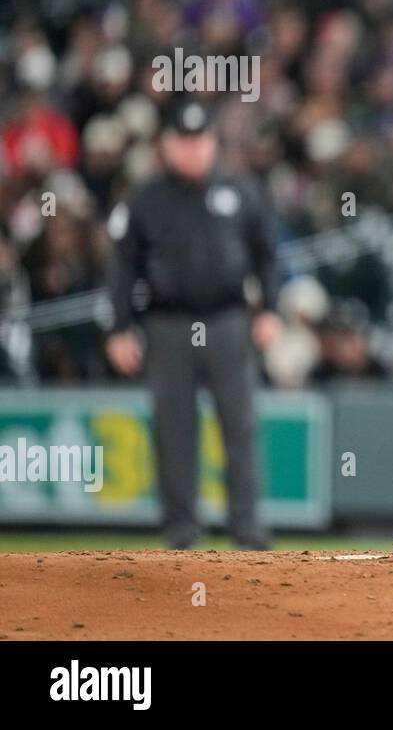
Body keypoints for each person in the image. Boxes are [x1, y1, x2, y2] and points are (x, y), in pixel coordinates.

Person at [105, 98, 282, 550]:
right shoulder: (146, 199)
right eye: (183, 142)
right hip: (167, 326)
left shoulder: (241, 191)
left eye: (199, 141)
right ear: (167, 146)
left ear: (213, 143)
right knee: (174, 429)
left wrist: (270, 310)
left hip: (228, 320)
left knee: (239, 425)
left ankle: (246, 526)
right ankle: (181, 529)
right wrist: (119, 327)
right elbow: (123, 267)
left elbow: (267, 255)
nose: (192, 150)